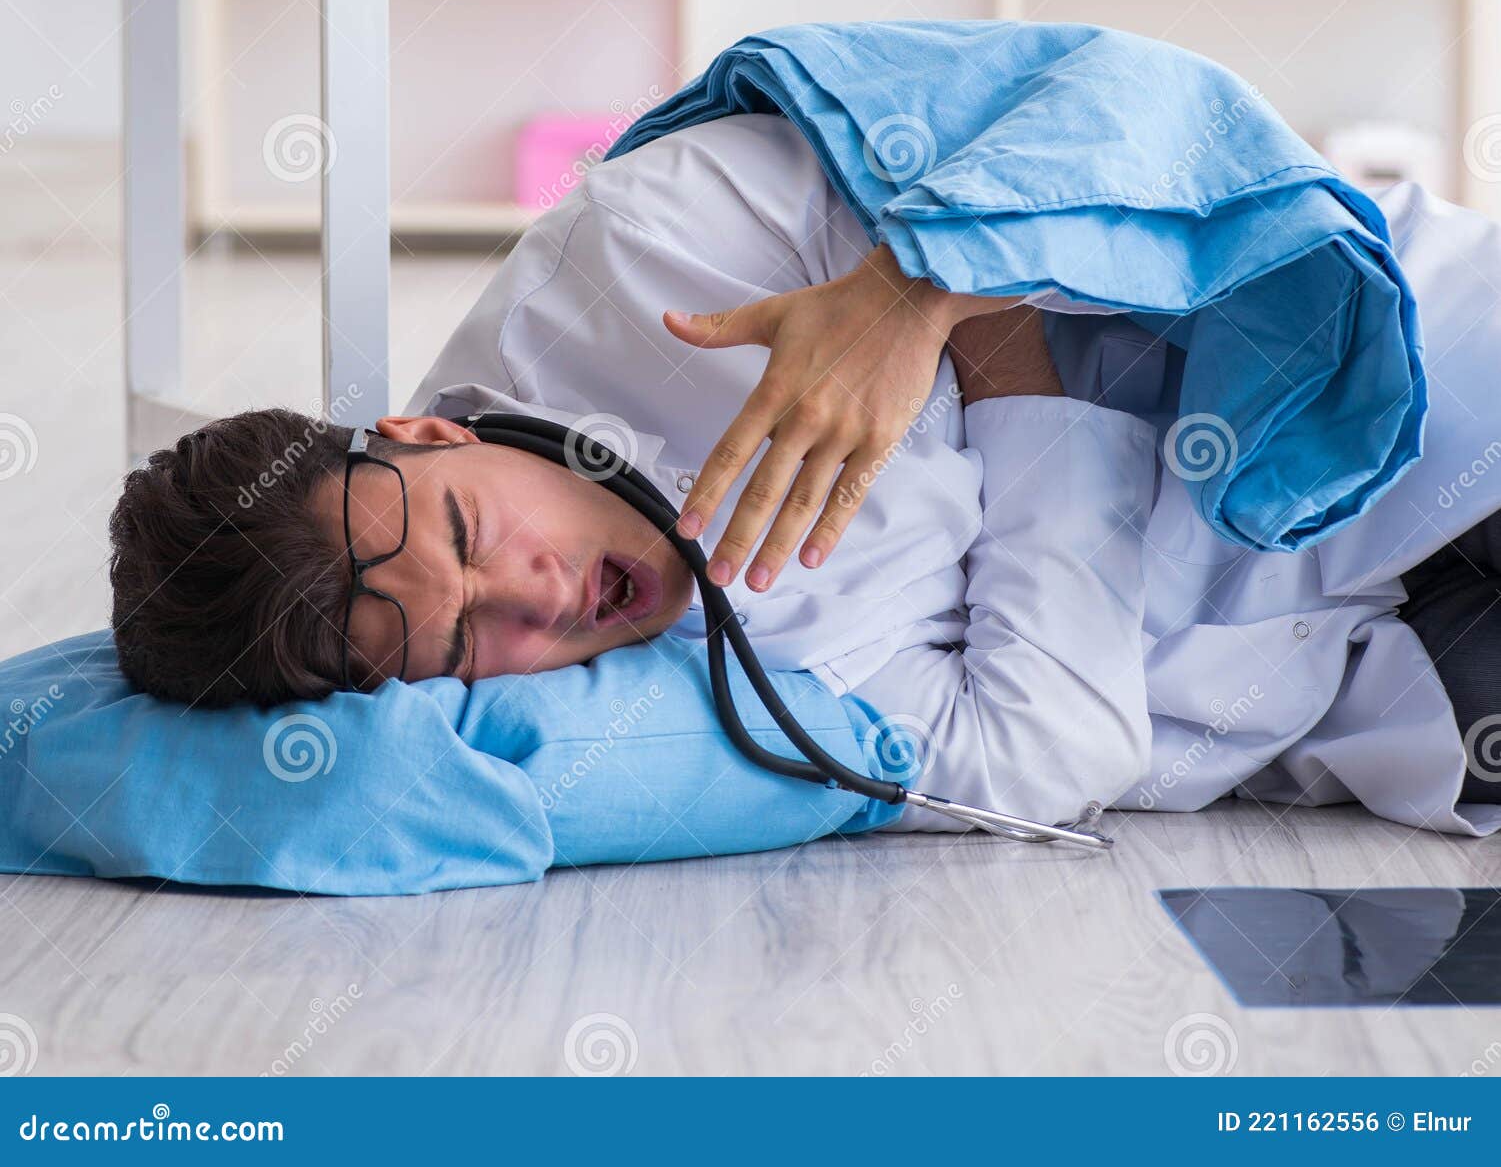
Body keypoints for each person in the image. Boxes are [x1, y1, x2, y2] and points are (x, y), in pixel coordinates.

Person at [109, 113, 1501, 837]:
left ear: (423, 432)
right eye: (463, 642)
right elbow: (1047, 755)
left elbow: (1068, 138)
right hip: (1396, 680)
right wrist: (995, 342)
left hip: (1409, 384)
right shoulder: (688, 707)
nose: (531, 601)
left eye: (473, 533)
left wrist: (913, 287)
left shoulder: (647, 242)